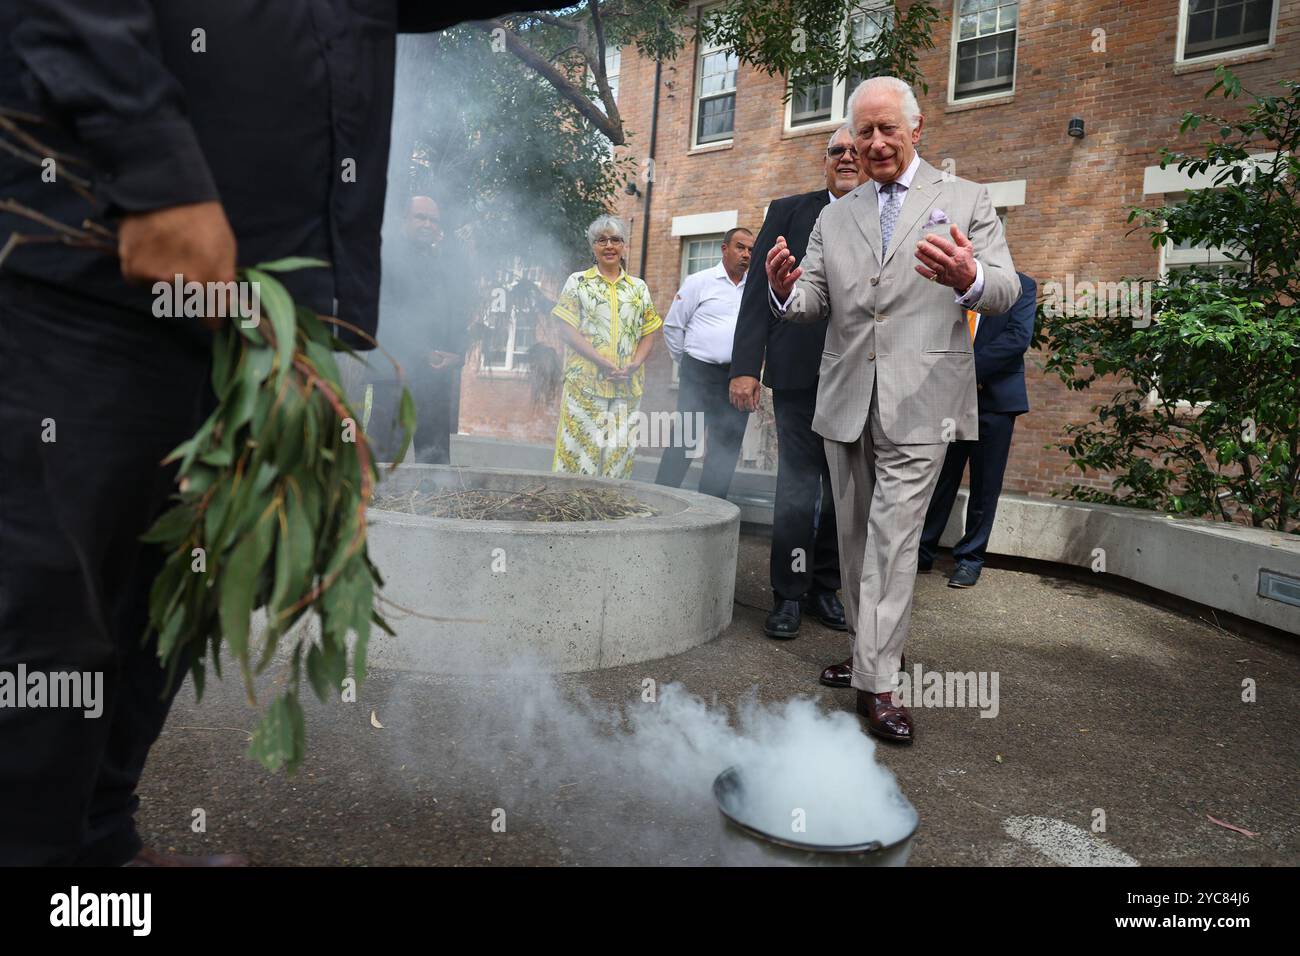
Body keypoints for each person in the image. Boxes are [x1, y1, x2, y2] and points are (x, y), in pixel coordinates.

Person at [0, 0, 565, 867]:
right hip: (90, 266)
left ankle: (101, 844)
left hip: (255, 316)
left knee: (171, 593)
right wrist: (155, 168)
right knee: (51, 616)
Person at [767, 76, 1020, 744]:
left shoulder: (965, 198)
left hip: (923, 403)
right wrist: (784, 292)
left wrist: (969, 279)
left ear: (917, 129)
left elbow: (1006, 287)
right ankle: (870, 650)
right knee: (853, 542)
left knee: (893, 540)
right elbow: (813, 300)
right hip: (847, 398)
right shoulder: (835, 214)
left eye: (887, 129)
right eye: (863, 133)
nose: (874, 144)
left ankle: (877, 684)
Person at [730, 126, 865, 640]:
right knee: (796, 488)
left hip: (858, 378)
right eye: (837, 151)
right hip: (797, 378)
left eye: (856, 150)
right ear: (824, 161)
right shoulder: (787, 210)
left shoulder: (884, 214)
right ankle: (788, 594)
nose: (848, 157)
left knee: (843, 490)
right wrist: (745, 367)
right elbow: (757, 294)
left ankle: (824, 588)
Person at [918, 273, 1037, 587]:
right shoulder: (948, 283)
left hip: (996, 402)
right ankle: (921, 551)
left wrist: (965, 370)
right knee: (941, 478)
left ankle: (970, 559)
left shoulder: (1020, 286)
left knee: (985, 484)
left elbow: (1017, 337)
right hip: (948, 398)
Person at [551, 215, 661, 478]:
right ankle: (571, 513)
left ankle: (610, 514)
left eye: (615, 240)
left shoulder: (638, 288)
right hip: (585, 385)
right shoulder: (578, 283)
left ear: (624, 246)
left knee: (618, 454)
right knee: (579, 451)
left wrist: (635, 364)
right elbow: (566, 329)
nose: (609, 245)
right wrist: (601, 361)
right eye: (602, 240)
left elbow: (649, 333)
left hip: (626, 386)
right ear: (593, 247)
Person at [370, 195, 471, 464]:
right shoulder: (385, 257)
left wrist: (458, 354)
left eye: (433, 220)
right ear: (405, 220)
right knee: (382, 462)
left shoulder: (446, 267)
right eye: (420, 217)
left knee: (435, 464)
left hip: (436, 380)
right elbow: (384, 314)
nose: (428, 224)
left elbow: (460, 315)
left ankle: (430, 506)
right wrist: (423, 352)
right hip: (395, 376)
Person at [654, 227, 754, 499]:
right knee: (684, 442)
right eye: (740, 247)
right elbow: (673, 327)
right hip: (698, 373)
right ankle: (660, 506)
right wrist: (687, 363)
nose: (746, 254)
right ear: (724, 249)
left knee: (726, 447)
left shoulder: (755, 288)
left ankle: (711, 514)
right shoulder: (699, 281)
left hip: (736, 378)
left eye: (750, 250)